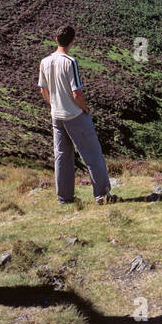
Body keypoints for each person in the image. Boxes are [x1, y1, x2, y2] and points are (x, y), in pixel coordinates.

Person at [39, 26, 117, 205]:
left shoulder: (45, 61)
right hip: (74, 115)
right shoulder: (70, 62)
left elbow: (43, 89)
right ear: (72, 41)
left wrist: (54, 104)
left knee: (62, 156)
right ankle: (102, 195)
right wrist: (85, 109)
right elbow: (77, 93)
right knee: (93, 154)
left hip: (56, 116)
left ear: (56, 40)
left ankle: (65, 198)